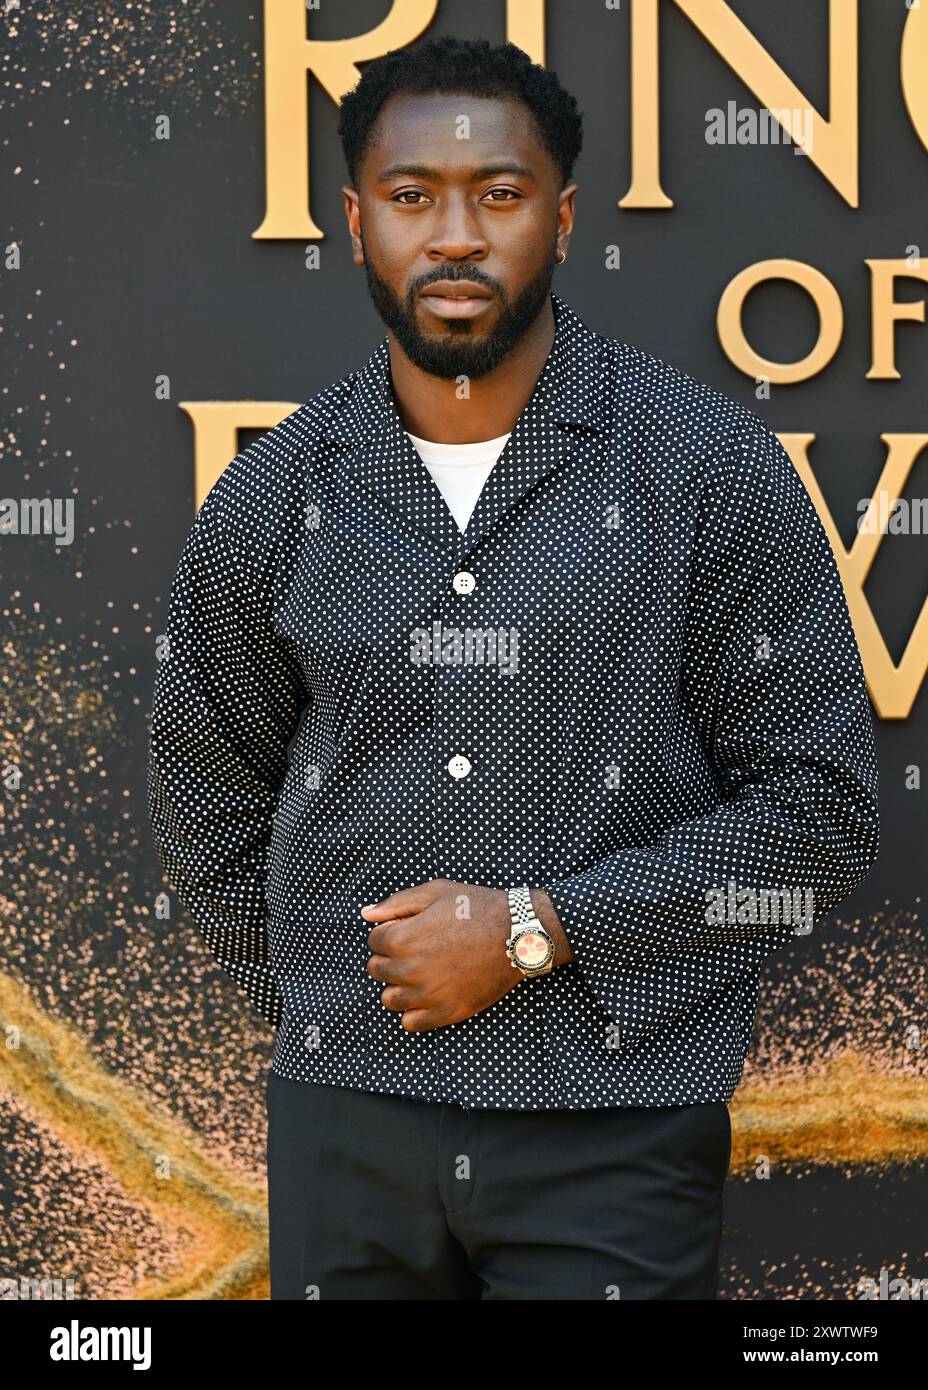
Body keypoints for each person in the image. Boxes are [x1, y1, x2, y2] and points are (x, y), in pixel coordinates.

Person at [146, 35, 880, 1300]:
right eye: (411, 193)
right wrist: (333, 990)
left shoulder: (705, 470)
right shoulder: (275, 494)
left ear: (563, 213)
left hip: (619, 1125)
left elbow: (820, 816)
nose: (454, 236)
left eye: (498, 193)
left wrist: (537, 932)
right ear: (355, 217)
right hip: (344, 1128)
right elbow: (209, 803)